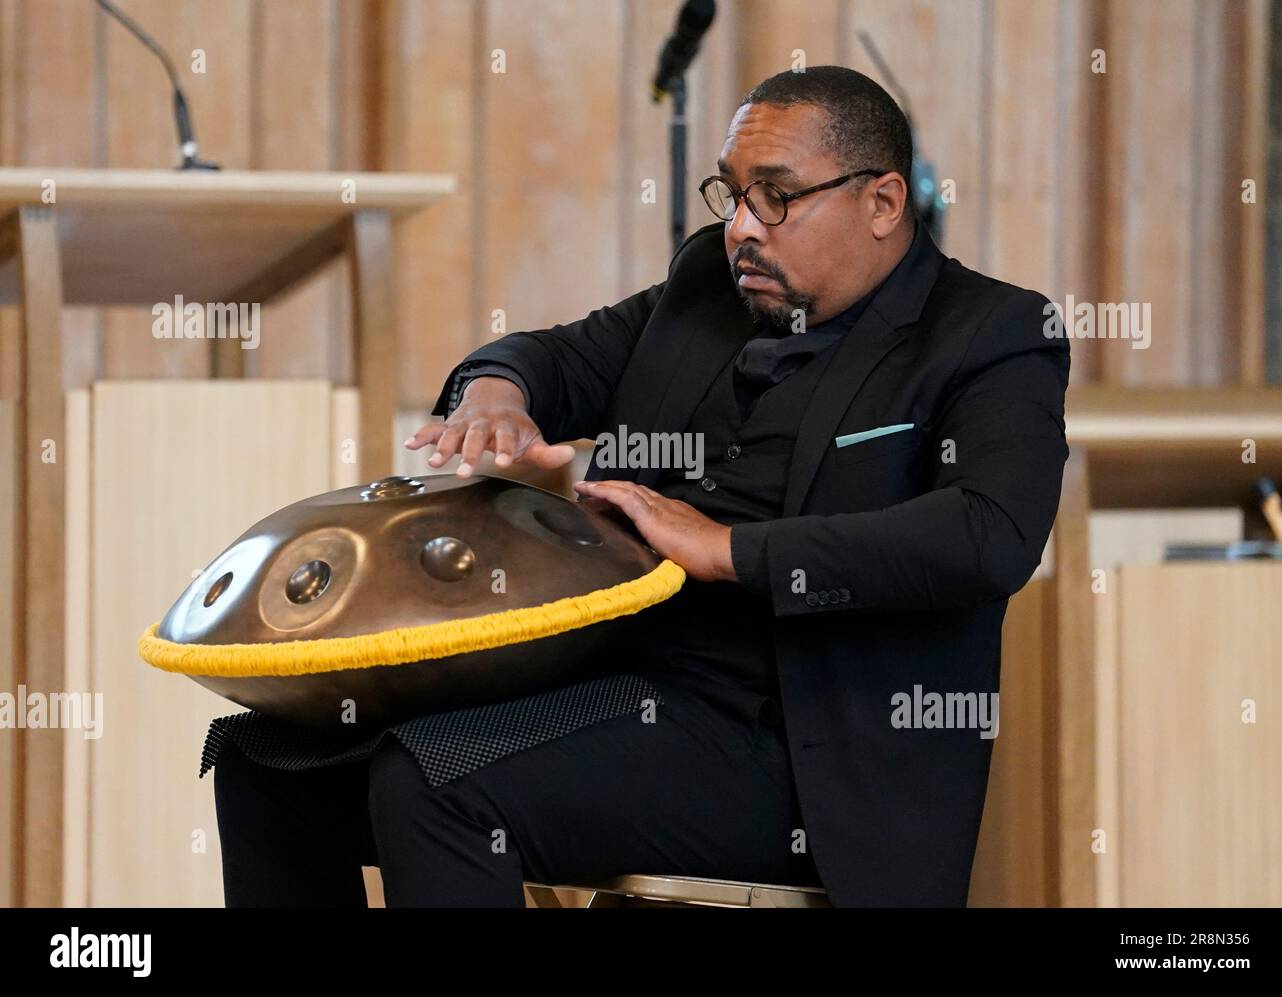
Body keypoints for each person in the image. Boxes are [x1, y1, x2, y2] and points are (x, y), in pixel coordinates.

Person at [211, 64, 1069, 907]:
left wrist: (729, 550)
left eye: (775, 195)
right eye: (730, 193)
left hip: (800, 753)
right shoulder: (711, 287)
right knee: (265, 757)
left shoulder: (989, 332)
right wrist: (496, 398)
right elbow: (553, 356)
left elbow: (989, 535)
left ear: (882, 202)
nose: (743, 227)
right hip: (615, 686)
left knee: (436, 785)